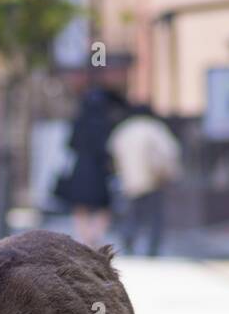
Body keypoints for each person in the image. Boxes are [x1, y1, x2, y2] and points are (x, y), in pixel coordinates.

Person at [108, 105, 182, 257]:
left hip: (128, 180)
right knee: (155, 216)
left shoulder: (124, 129)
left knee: (131, 214)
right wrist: (171, 173)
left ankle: (128, 243)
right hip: (153, 179)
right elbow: (169, 151)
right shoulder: (155, 128)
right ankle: (153, 248)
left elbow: (112, 152)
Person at [57, 87, 124, 248]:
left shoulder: (79, 122)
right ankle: (95, 236)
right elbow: (110, 148)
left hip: (81, 169)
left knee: (80, 206)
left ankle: (85, 238)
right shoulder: (107, 123)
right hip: (101, 171)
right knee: (103, 205)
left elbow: (70, 145)